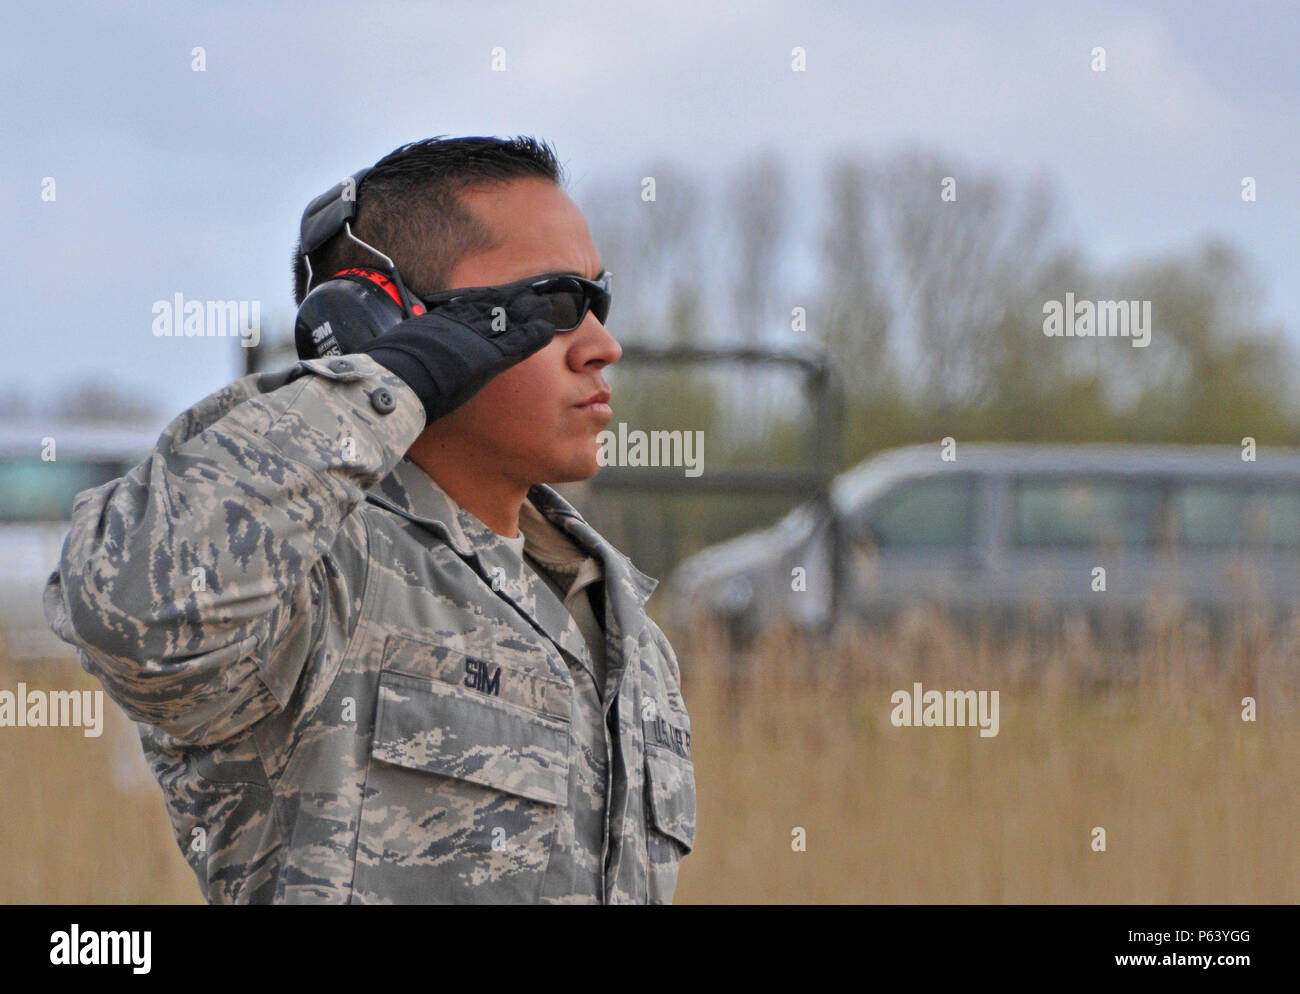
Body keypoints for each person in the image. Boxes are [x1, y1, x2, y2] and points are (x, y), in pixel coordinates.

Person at [42, 135, 696, 904]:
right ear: (385, 321)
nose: (602, 346)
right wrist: (385, 383)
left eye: (600, 302)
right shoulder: (314, 580)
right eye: (555, 305)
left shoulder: (626, 633)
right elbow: (129, 611)